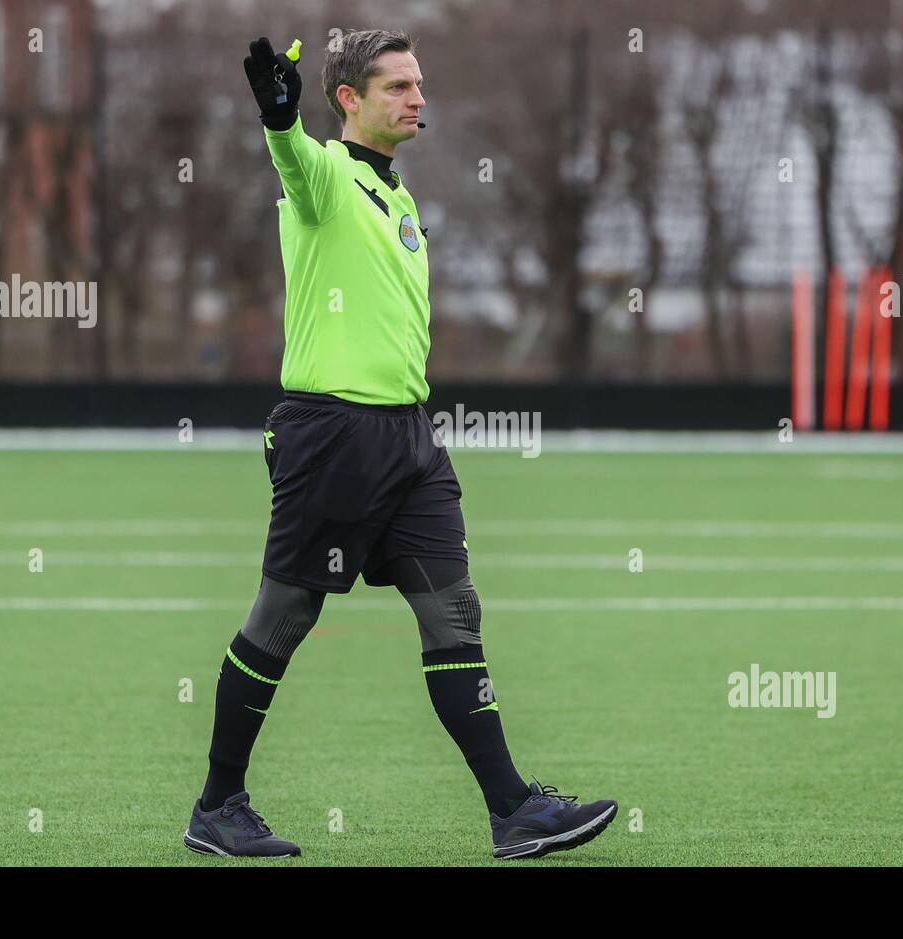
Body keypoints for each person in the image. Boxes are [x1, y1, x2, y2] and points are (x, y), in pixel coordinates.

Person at [183, 28, 616, 861]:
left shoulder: (400, 195)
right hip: (332, 435)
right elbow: (294, 161)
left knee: (454, 612)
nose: (419, 98)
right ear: (349, 100)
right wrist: (279, 118)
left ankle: (512, 811)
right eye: (398, 88)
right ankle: (217, 805)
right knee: (283, 618)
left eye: (419, 85)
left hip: (410, 438)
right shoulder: (325, 179)